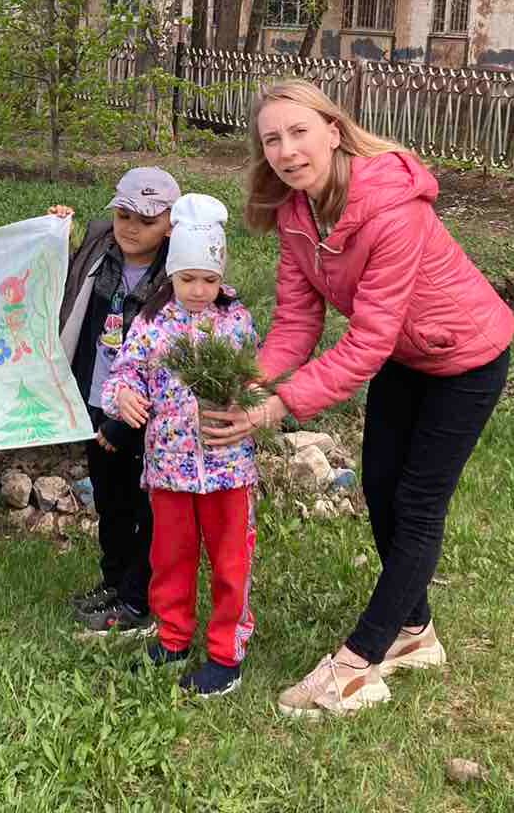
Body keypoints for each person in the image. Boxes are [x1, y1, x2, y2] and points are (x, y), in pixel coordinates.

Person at [201, 79, 514, 717]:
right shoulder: (297, 215)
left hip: (467, 356)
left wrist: (277, 410)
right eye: (272, 140)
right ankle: (415, 631)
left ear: (333, 131)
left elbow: (366, 342)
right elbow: (296, 322)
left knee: (419, 504)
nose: (287, 151)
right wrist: (249, 381)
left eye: (298, 132)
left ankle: (358, 663)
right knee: (378, 488)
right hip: (407, 352)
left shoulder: (392, 208)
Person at [103, 194, 259, 697]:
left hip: (226, 468)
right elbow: (125, 370)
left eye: (209, 280)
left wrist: (255, 396)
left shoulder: (236, 321)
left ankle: (225, 653)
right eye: (187, 278)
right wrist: (123, 394)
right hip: (168, 467)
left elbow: (256, 376)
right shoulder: (153, 322)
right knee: (171, 556)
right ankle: (172, 637)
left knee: (231, 559)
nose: (198, 290)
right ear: (171, 274)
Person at [50, 166, 180, 635]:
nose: (131, 227)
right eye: (124, 214)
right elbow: (63, 285)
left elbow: (177, 351)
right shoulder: (101, 246)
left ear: (170, 223)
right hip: (95, 399)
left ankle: (137, 601)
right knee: (111, 500)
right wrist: (56, 237)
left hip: (146, 415)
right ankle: (113, 579)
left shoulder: (179, 275)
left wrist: (129, 420)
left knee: (146, 508)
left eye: (146, 220)